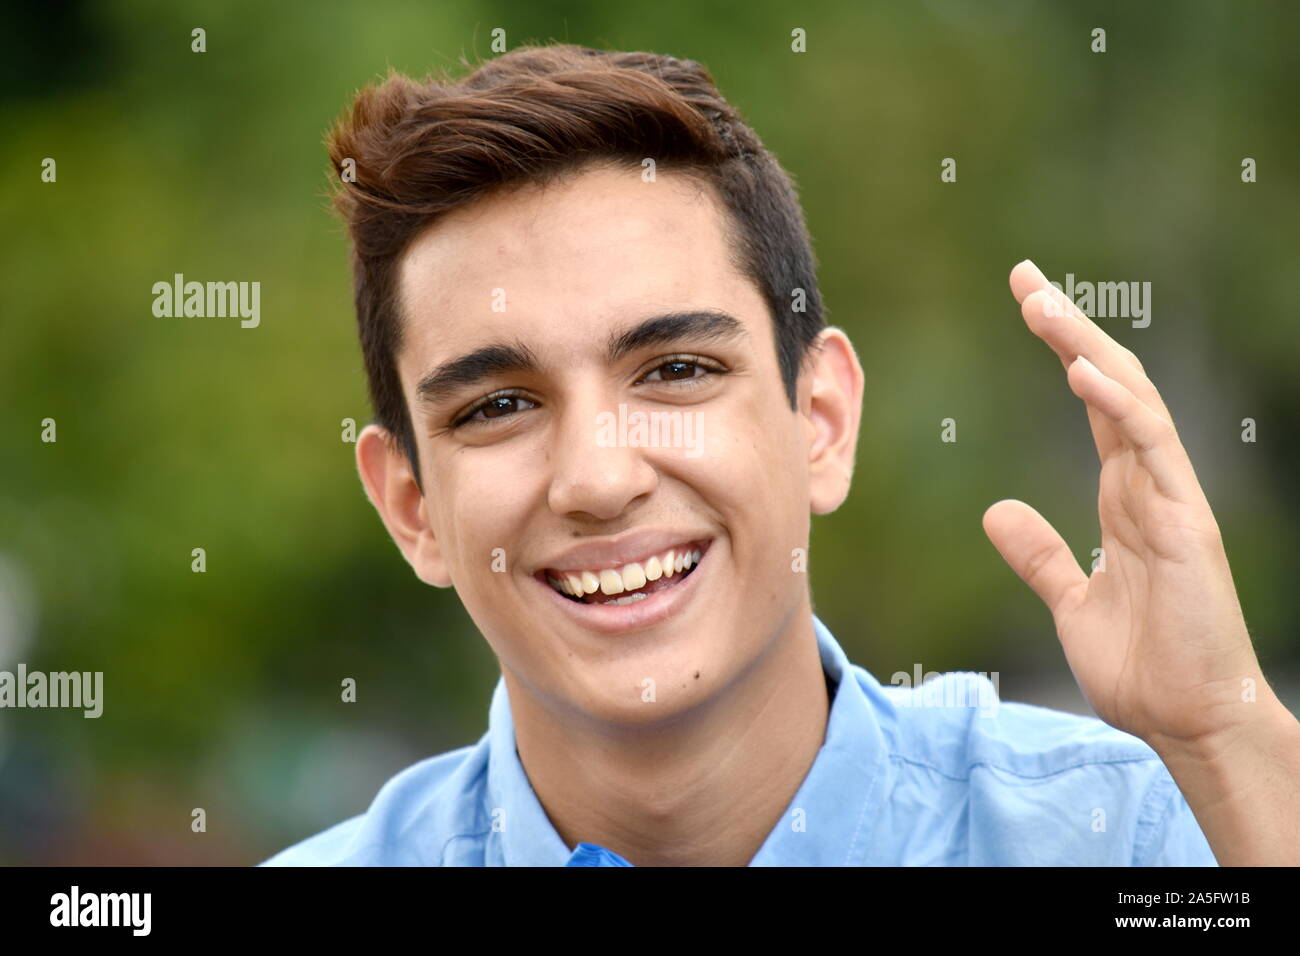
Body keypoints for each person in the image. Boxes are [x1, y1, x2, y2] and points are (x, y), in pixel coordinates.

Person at [261, 44, 1299, 866]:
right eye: (497, 404)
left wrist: (1222, 732)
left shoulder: (1133, 840)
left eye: (673, 370)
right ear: (411, 508)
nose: (598, 477)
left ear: (821, 421)